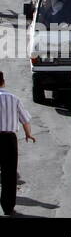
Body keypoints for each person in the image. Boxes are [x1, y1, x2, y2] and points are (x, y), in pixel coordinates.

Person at [0, 71, 35, 217]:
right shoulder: (13, 99)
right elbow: (25, 119)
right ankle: (8, 207)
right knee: (9, 174)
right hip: (8, 139)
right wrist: (28, 134)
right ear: (3, 82)